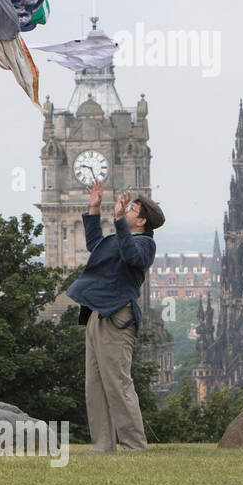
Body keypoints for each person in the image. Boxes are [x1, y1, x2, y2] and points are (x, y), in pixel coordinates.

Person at [65, 181, 165, 453]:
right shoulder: (121, 238)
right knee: (95, 386)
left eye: (132, 209)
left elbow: (131, 257)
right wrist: (94, 209)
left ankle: (134, 445)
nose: (126, 209)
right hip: (97, 313)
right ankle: (102, 445)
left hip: (118, 316)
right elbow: (96, 244)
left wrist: (119, 220)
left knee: (118, 384)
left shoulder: (145, 244)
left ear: (142, 220)